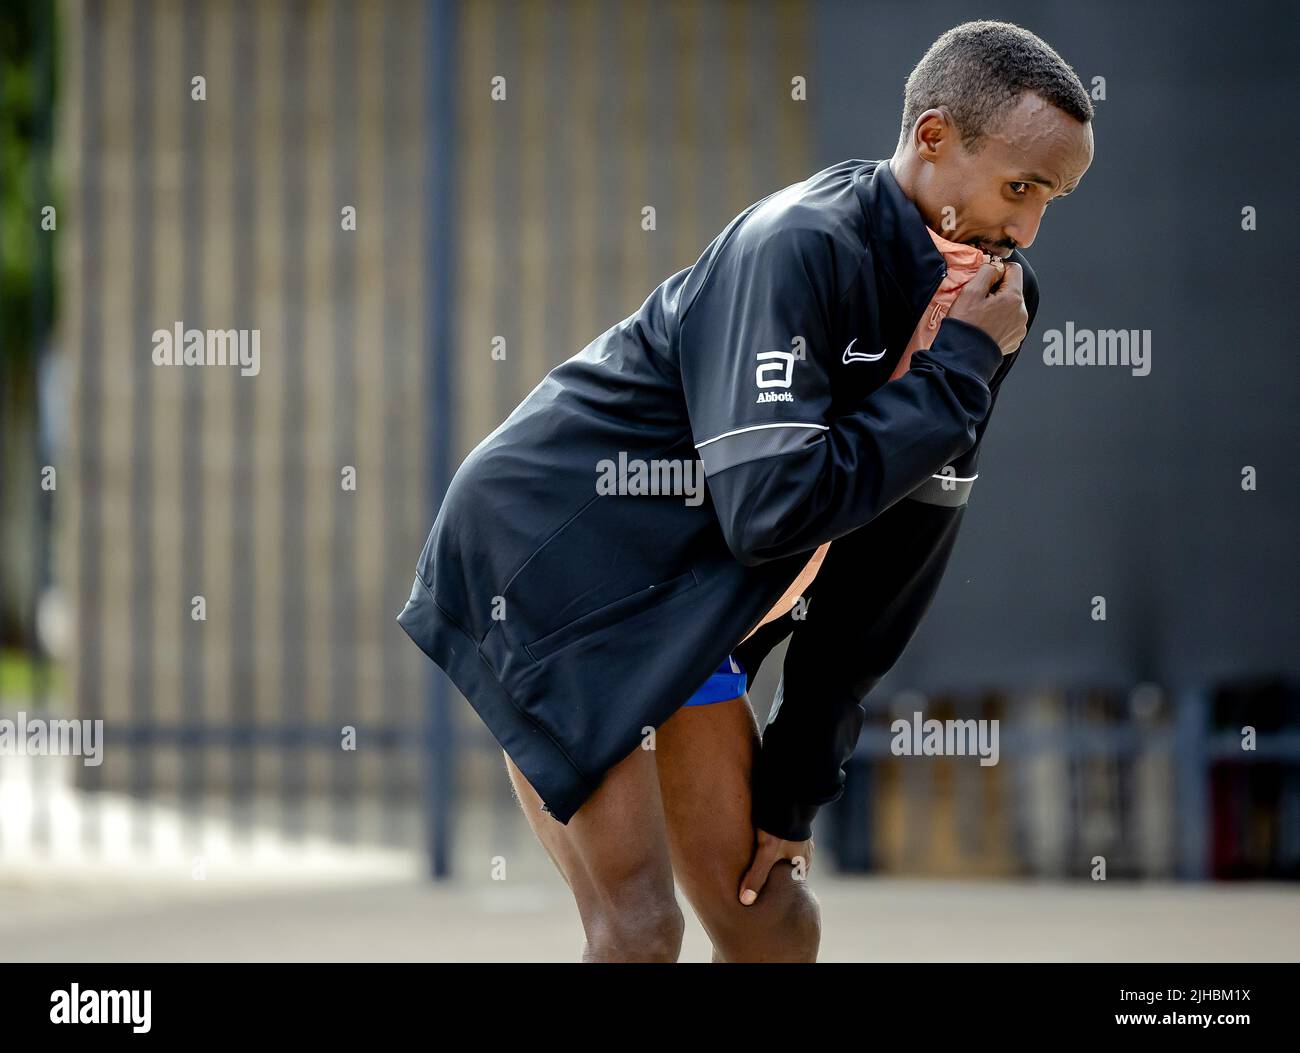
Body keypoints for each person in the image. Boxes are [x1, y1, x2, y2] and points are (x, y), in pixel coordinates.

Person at [397, 19, 1094, 961]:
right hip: (559, 562)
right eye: (1020, 187)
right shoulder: (800, 245)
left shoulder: (991, 303)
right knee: (640, 929)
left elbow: (899, 556)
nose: (1029, 227)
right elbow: (770, 509)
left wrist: (798, 777)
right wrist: (954, 369)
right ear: (933, 138)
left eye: (1054, 198)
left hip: (686, 599)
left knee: (772, 923)